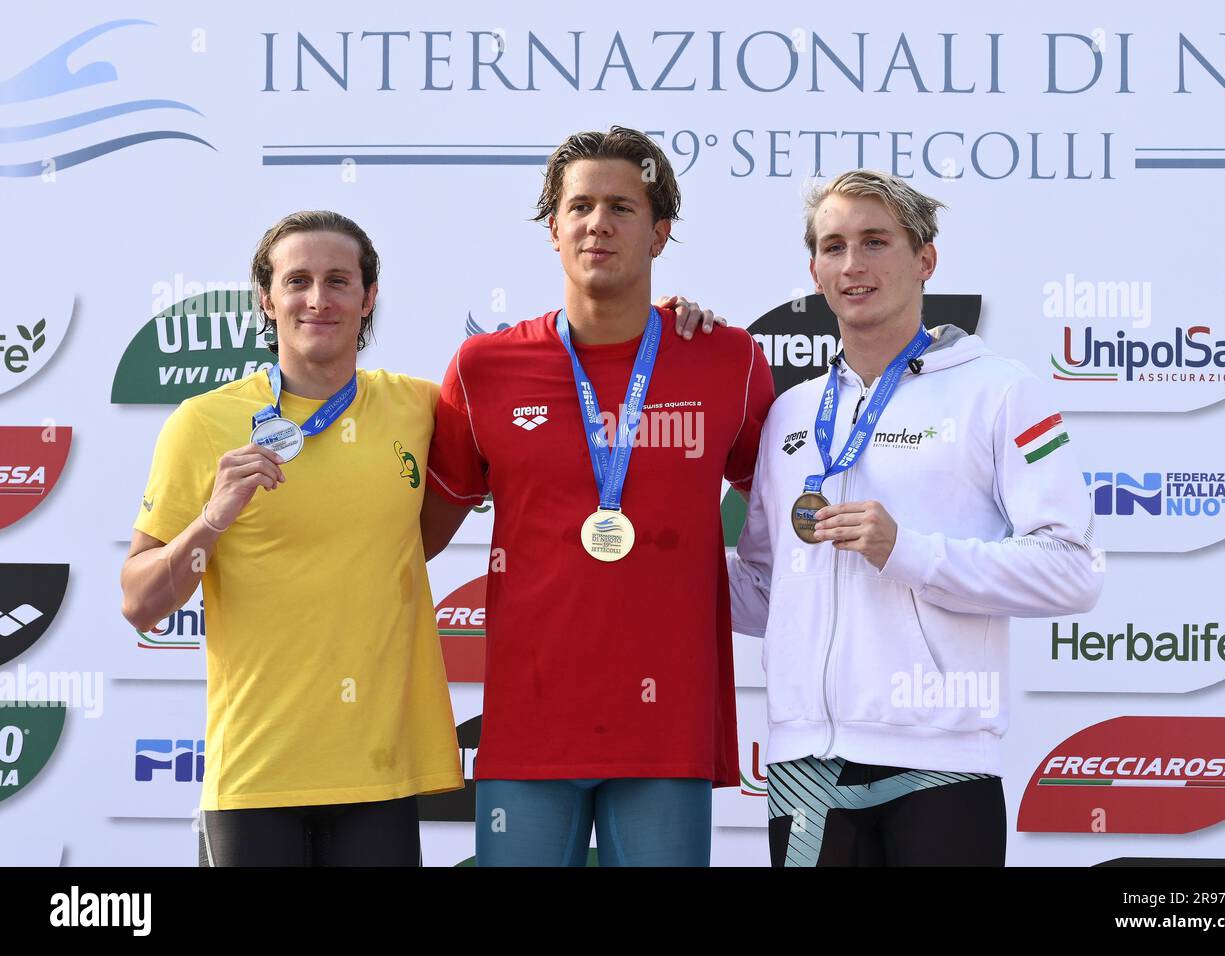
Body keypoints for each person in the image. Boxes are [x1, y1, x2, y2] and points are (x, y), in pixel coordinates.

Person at [422, 126, 775, 866]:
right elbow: (412, 536)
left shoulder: (728, 359)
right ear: (552, 228)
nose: (598, 223)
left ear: (661, 233)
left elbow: (784, 514)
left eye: (622, 205)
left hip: (665, 731)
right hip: (529, 726)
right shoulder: (484, 368)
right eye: (579, 205)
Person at [727, 170, 1101, 867]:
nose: (853, 265)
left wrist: (911, 552)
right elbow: (769, 589)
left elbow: (1073, 571)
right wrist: (659, 565)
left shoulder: (1000, 391)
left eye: (876, 242)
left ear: (925, 259)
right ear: (814, 269)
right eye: (834, 246)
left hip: (942, 762)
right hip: (806, 761)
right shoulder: (792, 411)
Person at [120, 211, 465, 866]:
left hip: (378, 771)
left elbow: (542, 396)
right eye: (297, 279)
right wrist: (213, 517)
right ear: (266, 298)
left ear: (368, 299)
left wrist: (672, 328)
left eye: (339, 281)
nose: (317, 298)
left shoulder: (420, 408)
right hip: (255, 775)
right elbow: (139, 602)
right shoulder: (203, 422)